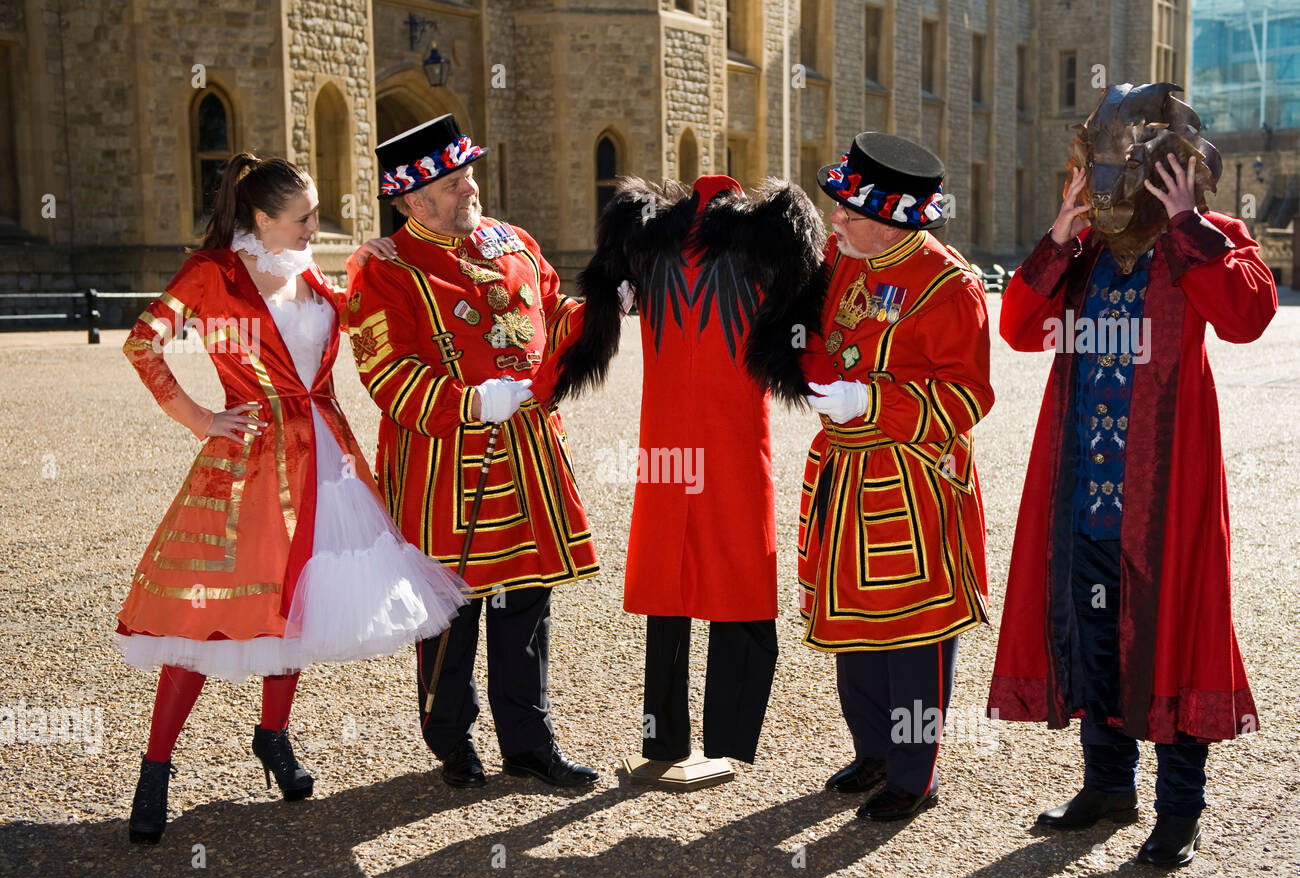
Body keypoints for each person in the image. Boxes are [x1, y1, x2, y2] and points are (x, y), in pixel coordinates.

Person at [117, 153, 468, 844]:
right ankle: (155, 768)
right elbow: (142, 344)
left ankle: (272, 736)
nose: (317, 225)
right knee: (204, 618)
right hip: (247, 465)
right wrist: (200, 418)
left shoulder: (311, 272)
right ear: (261, 218)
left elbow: (364, 329)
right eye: (305, 216)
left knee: (302, 603)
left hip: (329, 459)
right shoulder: (211, 275)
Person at [989, 83, 1276, 866]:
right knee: (1095, 639)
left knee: (1172, 640)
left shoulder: (1208, 238)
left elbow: (1249, 316)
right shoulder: (1078, 260)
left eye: (1125, 174)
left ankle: (1179, 808)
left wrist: (1187, 222)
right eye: (1095, 174)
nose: (1107, 193)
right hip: (1083, 494)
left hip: (1165, 501)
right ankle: (1108, 786)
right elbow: (1018, 330)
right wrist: (1056, 235)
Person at [534, 173, 826, 770]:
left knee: (726, 571)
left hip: (703, 436)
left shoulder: (716, 239)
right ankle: (715, 739)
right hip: (708, 435)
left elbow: (811, 319)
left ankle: (688, 741)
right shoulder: (655, 240)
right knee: (700, 573)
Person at [348, 115, 599, 789]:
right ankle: (450, 735)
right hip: (443, 470)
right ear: (410, 201)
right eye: (453, 183)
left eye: (468, 176)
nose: (470, 189)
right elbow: (386, 373)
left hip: (525, 457)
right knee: (449, 611)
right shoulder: (384, 269)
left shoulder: (513, 241)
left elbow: (553, 312)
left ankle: (529, 740)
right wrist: (469, 402)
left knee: (525, 607)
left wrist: (602, 307)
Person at [798, 132, 994, 822]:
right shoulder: (847, 255)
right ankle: (874, 749)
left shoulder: (950, 287)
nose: (835, 223)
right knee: (854, 627)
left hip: (912, 485)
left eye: (849, 214)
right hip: (848, 472)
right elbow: (817, 328)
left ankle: (915, 774)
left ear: (891, 219)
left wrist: (873, 400)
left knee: (914, 636)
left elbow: (967, 397)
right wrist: (814, 370)